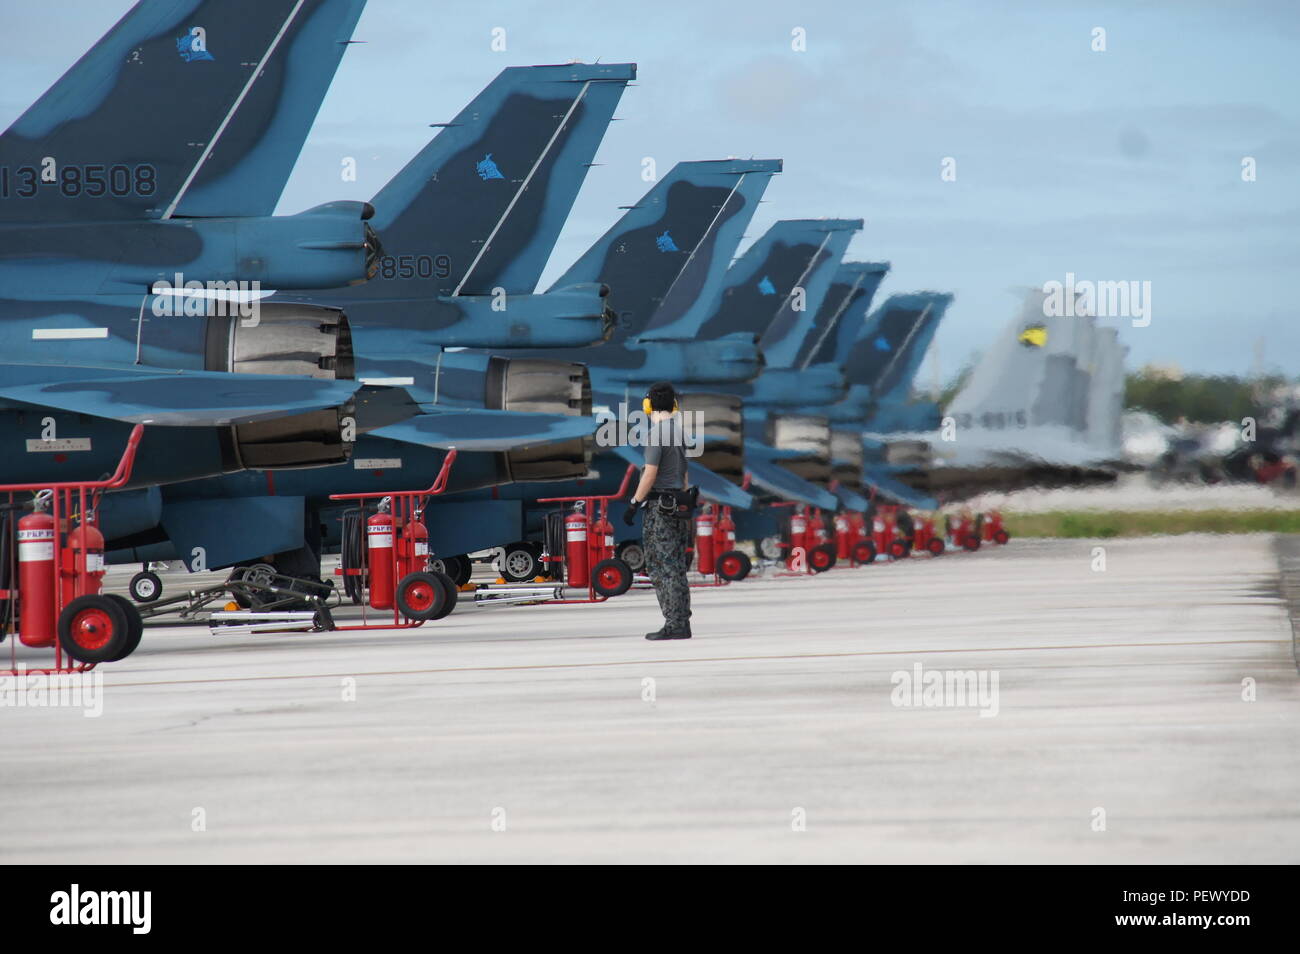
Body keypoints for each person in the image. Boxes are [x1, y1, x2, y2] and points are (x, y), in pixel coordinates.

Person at [623, 381, 693, 640]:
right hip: (677, 504)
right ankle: (681, 620)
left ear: (648, 405)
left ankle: (674, 623)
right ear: (674, 405)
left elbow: (649, 473)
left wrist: (634, 503)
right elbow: (684, 474)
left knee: (660, 565)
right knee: (675, 564)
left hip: (660, 508)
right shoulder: (679, 432)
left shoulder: (657, 433)